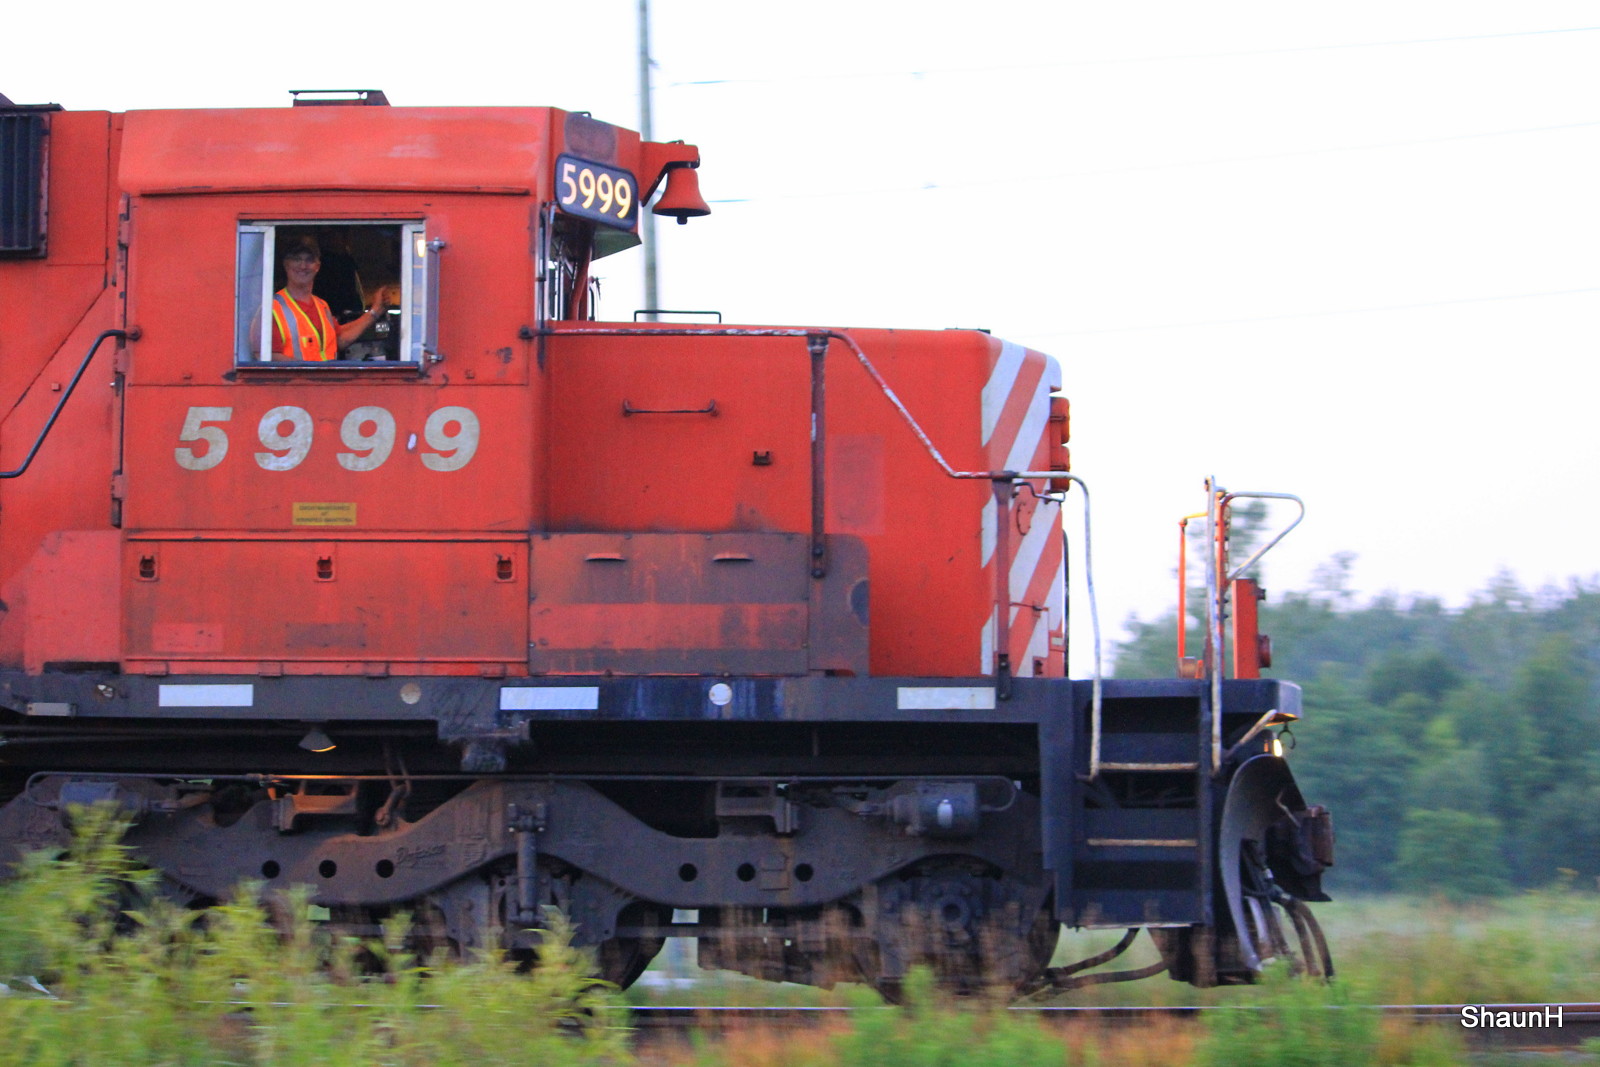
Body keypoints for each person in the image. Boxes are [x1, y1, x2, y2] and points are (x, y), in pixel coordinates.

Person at [270, 236, 387, 361]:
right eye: (296, 259)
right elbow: (268, 356)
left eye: (309, 260)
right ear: (286, 264)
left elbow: (338, 338)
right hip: (296, 381)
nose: (303, 265)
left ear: (318, 266)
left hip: (327, 380)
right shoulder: (273, 308)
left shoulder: (322, 306)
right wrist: (310, 374)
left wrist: (375, 312)